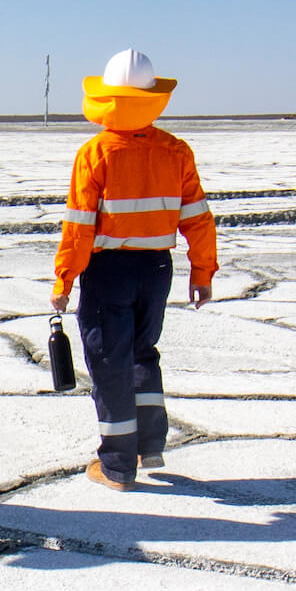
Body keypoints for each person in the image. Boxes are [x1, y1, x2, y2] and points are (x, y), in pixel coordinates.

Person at [52, 50, 216, 491]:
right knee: (143, 352)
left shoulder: (96, 152)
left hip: (110, 270)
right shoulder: (175, 150)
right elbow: (198, 218)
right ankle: (149, 444)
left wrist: (64, 279)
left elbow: (80, 225)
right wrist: (202, 273)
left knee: (109, 361)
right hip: (157, 267)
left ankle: (117, 465)